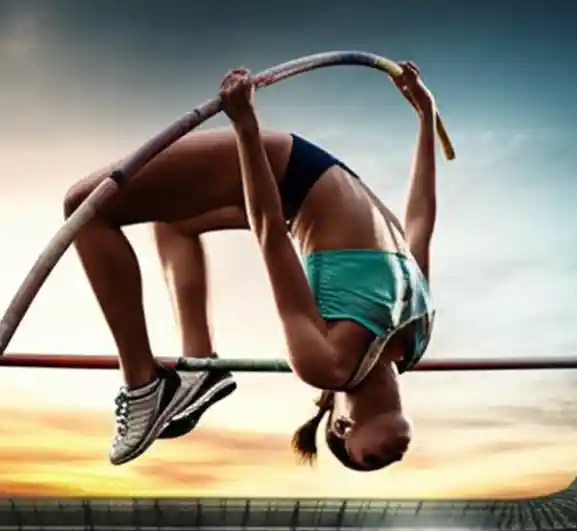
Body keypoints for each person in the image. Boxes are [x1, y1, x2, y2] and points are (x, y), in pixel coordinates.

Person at [64, 62, 438, 468]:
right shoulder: (413, 341)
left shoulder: (323, 365)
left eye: (366, 461)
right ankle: (188, 370)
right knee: (109, 210)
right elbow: (419, 221)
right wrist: (426, 116)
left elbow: (271, 236)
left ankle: (144, 382)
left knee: (85, 208)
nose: (389, 463)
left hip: (286, 183)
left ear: (341, 427)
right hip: (295, 175)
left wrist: (246, 128)